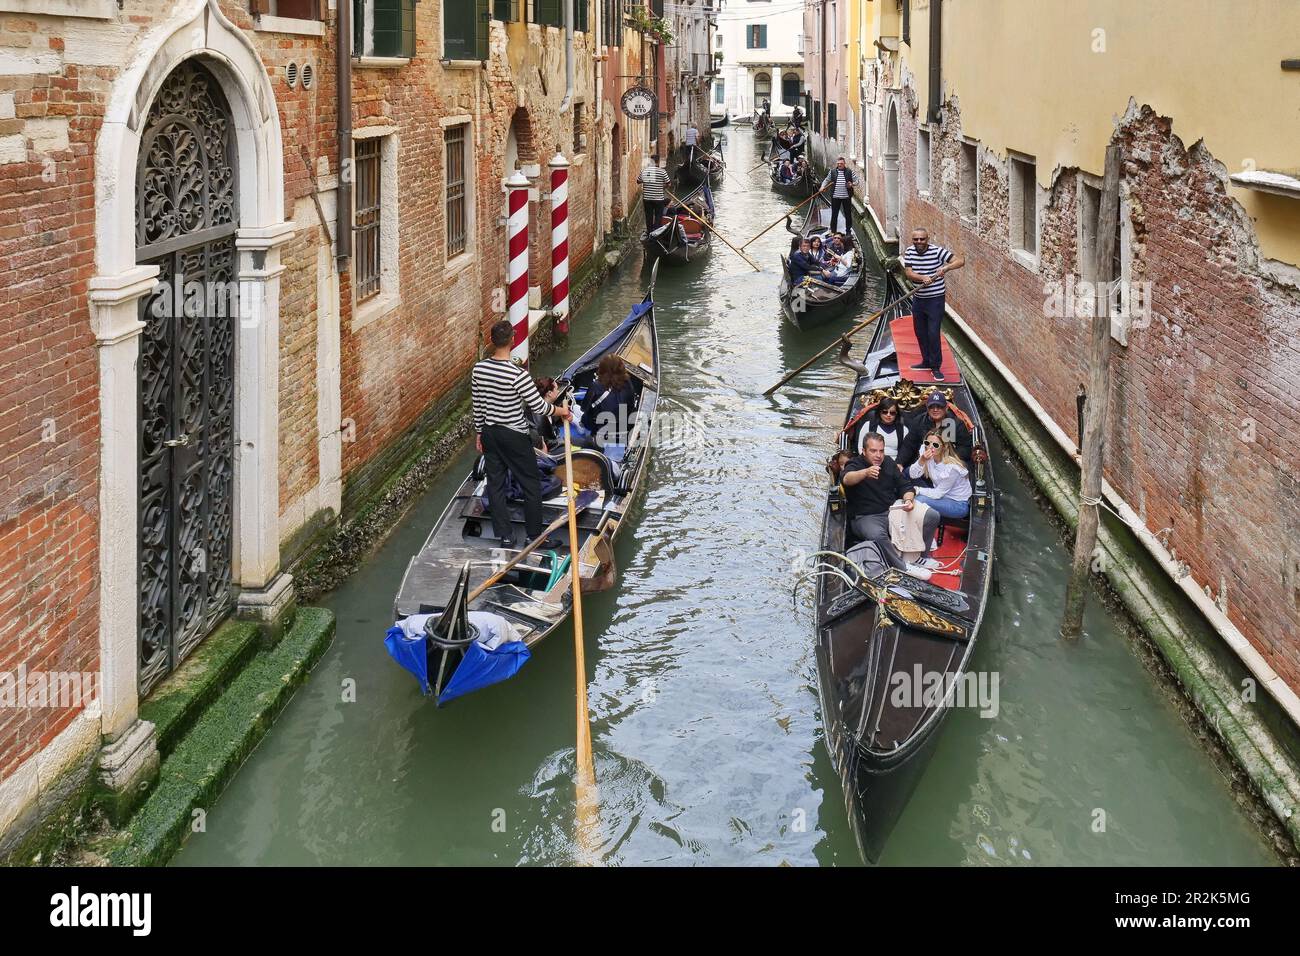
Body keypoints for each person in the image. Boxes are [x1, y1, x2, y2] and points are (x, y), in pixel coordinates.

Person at [472, 320, 572, 549]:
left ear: (492, 341)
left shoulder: (479, 369)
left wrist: (480, 432)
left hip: (490, 433)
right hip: (514, 436)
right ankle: (535, 537)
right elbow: (539, 407)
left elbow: (478, 405)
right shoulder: (518, 375)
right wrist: (561, 410)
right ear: (512, 341)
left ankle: (506, 537)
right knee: (531, 484)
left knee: (495, 485)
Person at [839, 433, 931, 580]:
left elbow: (905, 486)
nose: (878, 455)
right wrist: (865, 472)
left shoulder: (888, 462)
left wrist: (908, 500)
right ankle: (903, 567)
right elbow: (846, 479)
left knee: (931, 516)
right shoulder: (855, 464)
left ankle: (921, 557)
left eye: (881, 451)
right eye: (873, 451)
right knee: (877, 534)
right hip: (864, 517)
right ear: (864, 451)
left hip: (891, 511)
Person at [902, 227, 965, 382]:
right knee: (920, 331)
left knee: (933, 333)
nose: (918, 242)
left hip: (935, 300)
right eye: (915, 239)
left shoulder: (937, 251)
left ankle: (936, 367)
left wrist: (945, 268)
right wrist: (922, 277)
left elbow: (960, 261)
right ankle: (926, 362)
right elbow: (908, 273)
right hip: (918, 298)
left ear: (927, 239)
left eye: (921, 239)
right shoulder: (909, 251)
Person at [907, 429, 972, 523]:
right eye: (927, 443)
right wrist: (922, 460)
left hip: (958, 504)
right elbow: (912, 475)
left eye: (935, 445)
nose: (930, 447)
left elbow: (938, 493)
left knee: (919, 500)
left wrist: (917, 489)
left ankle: (921, 529)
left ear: (944, 447)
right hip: (942, 496)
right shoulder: (926, 453)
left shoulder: (952, 468)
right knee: (907, 489)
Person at [898, 390, 973, 468]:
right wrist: (900, 462)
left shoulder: (956, 424)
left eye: (939, 406)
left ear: (946, 408)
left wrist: (946, 458)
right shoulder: (919, 421)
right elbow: (909, 445)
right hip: (925, 465)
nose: (935, 410)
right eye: (932, 407)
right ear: (927, 407)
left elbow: (965, 448)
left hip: (949, 466)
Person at [580, 354, 637, 447]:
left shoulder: (595, 386)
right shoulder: (628, 381)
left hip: (599, 429)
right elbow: (631, 405)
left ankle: (584, 429)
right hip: (622, 427)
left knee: (576, 408)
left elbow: (584, 408)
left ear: (601, 369)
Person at [820, 156, 857, 235]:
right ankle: (833, 231)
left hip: (846, 197)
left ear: (844, 164)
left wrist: (852, 184)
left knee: (848, 214)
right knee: (834, 214)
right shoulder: (832, 172)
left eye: (841, 163)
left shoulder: (850, 172)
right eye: (838, 163)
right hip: (835, 197)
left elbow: (857, 181)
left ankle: (848, 231)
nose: (839, 165)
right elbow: (827, 180)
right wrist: (822, 186)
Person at [638, 155, 670, 237]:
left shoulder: (644, 171)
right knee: (658, 216)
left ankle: (649, 232)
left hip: (647, 198)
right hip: (658, 198)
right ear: (658, 162)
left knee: (649, 216)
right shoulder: (662, 171)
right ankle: (656, 233)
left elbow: (638, 181)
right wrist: (663, 187)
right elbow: (668, 183)